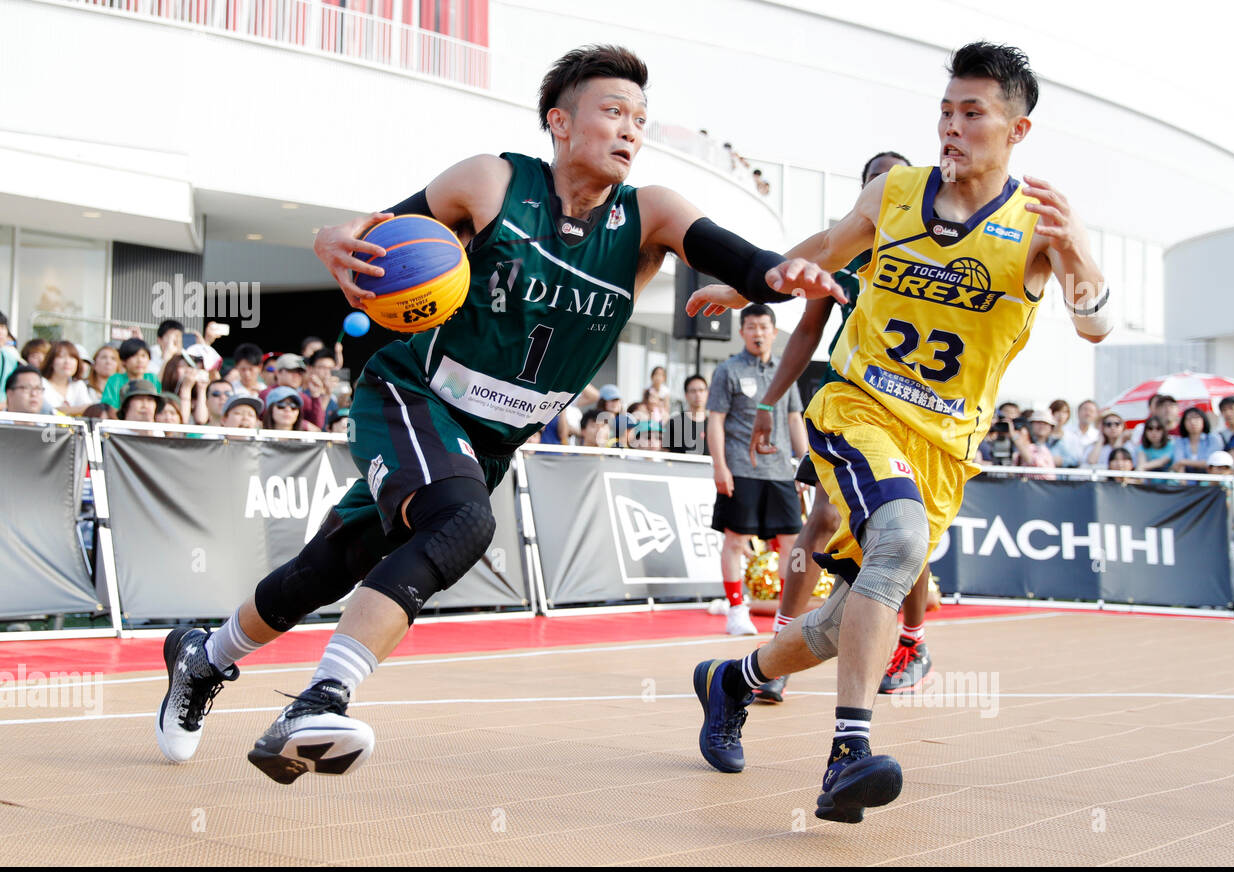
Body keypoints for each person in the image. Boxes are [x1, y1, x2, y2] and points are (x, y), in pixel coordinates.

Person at [152, 44, 842, 784]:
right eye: (613, 112)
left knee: (328, 567)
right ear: (561, 122)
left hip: (490, 437)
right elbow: (373, 236)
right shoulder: (493, 181)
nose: (630, 130)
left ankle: (203, 656)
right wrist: (332, 238)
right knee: (465, 523)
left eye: (640, 119)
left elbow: (741, 259)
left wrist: (779, 273)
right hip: (414, 396)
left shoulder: (651, 215)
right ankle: (319, 701)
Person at [685, 42, 1109, 821]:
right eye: (945, 111)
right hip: (859, 406)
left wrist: (1081, 250)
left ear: (1016, 130)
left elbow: (1096, 325)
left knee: (845, 622)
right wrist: (750, 281)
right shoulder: (895, 192)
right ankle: (849, 751)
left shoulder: (1040, 225)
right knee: (902, 540)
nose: (951, 126)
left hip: (946, 443)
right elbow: (824, 253)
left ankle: (732, 681)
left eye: (971, 113)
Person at [747, 150, 932, 703]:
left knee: (910, 526)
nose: (885, 193)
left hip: (918, 410)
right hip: (851, 404)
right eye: (875, 184)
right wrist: (768, 401)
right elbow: (805, 332)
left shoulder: (933, 254)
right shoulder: (843, 253)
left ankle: (912, 642)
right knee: (824, 515)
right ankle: (777, 645)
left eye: (895, 183)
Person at [708, 303, 808, 637]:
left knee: (792, 544)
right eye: (751, 327)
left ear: (774, 332)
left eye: (764, 327)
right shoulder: (728, 370)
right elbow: (716, 420)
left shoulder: (786, 370)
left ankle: (786, 613)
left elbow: (795, 418)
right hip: (741, 469)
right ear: (742, 332)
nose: (758, 333)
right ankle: (736, 610)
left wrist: (804, 462)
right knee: (736, 541)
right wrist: (720, 466)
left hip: (780, 471)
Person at [101, 338, 161, 411]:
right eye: (134, 356)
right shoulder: (115, 380)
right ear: (123, 361)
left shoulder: (152, 379)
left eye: (143, 356)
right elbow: (109, 407)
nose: (140, 360)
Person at [39, 341, 93, 415]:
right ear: (51, 361)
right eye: (61, 357)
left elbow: (90, 409)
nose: (67, 362)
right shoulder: (41, 383)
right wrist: (78, 410)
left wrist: (65, 410)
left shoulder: (78, 385)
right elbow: (48, 411)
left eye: (72, 357)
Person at [664, 373, 709, 455]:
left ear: (707, 393)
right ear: (686, 395)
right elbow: (665, 452)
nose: (698, 394)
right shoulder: (674, 423)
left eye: (701, 390)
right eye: (693, 391)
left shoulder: (714, 425)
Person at [1171, 406, 1222, 471]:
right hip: (1185, 479)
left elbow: (1211, 462)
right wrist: (1183, 480)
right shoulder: (1179, 441)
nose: (1192, 422)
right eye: (1189, 419)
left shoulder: (1213, 439)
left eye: (1196, 418)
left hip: (1209, 478)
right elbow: (1177, 463)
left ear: (1203, 420)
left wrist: (1183, 462)